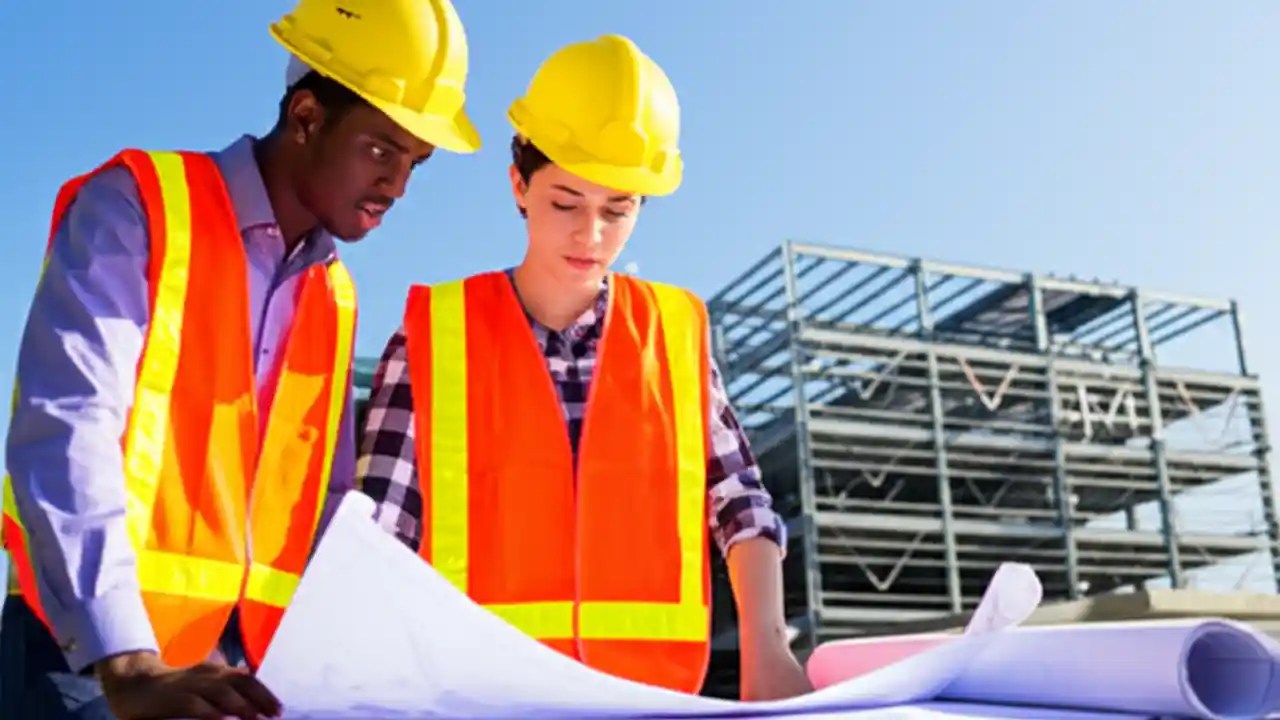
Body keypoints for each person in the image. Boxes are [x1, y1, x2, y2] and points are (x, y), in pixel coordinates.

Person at [0, 1, 481, 718]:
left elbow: (323, 508)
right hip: (87, 664)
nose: (399, 185)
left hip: (235, 669)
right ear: (307, 116)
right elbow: (68, 425)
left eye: (417, 162)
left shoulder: (333, 294)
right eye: (383, 150)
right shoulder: (140, 207)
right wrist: (127, 662)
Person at [355, 34, 813, 702]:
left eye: (617, 210)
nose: (590, 235)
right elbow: (379, 534)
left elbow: (740, 501)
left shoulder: (675, 335)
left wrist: (767, 648)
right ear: (519, 184)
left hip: (649, 701)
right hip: (477, 703)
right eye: (566, 202)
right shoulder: (434, 334)